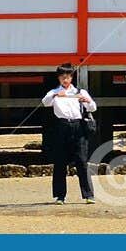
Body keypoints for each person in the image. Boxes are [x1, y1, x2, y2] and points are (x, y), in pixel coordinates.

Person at [41, 64, 96, 204]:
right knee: (60, 161)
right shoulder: (54, 91)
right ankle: (60, 196)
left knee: (82, 160)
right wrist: (55, 95)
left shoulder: (80, 91)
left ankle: (88, 195)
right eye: (62, 77)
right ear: (59, 78)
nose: (65, 80)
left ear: (71, 78)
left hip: (78, 126)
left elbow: (93, 107)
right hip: (62, 126)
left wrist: (87, 101)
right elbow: (45, 103)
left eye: (68, 77)